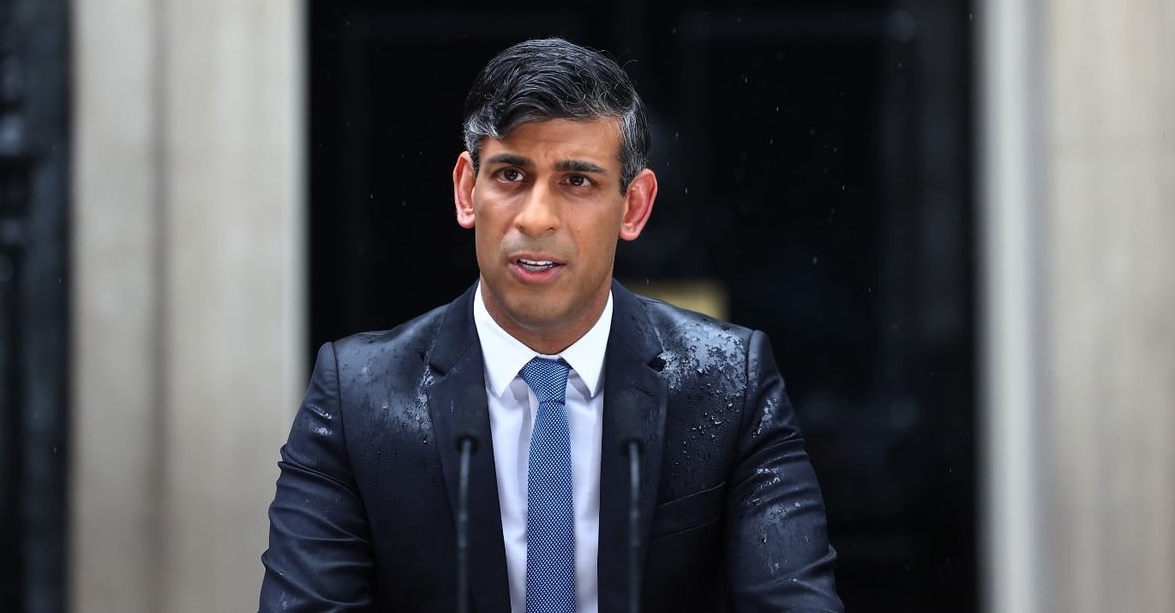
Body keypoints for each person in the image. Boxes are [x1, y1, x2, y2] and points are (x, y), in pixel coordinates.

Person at [259, 38, 843, 613]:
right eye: (511, 175)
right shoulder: (358, 395)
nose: (536, 218)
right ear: (467, 190)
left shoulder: (729, 382)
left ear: (634, 206)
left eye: (577, 181)